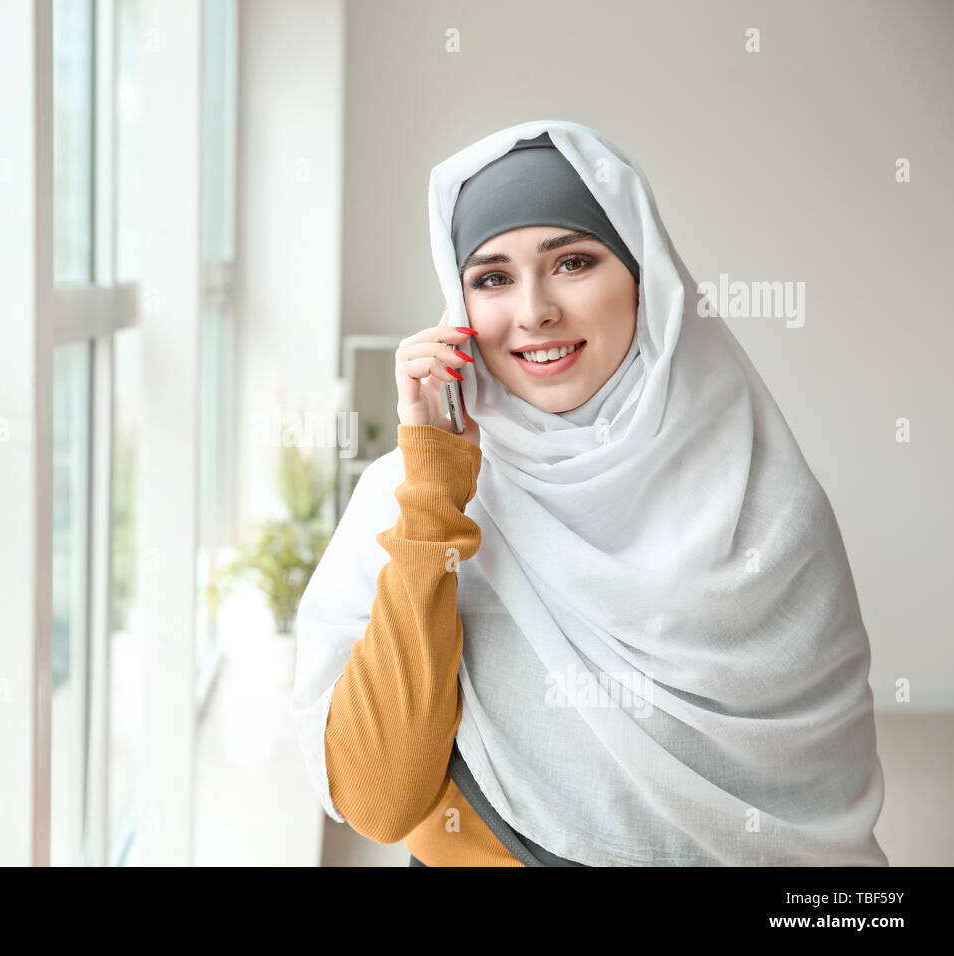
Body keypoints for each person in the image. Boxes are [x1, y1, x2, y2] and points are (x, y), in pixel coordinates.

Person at [290, 120, 889, 867]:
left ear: (646, 281)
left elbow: (812, 815)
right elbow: (379, 801)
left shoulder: (764, 505)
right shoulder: (411, 496)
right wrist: (435, 494)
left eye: (572, 262)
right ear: (459, 311)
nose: (534, 310)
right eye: (492, 278)